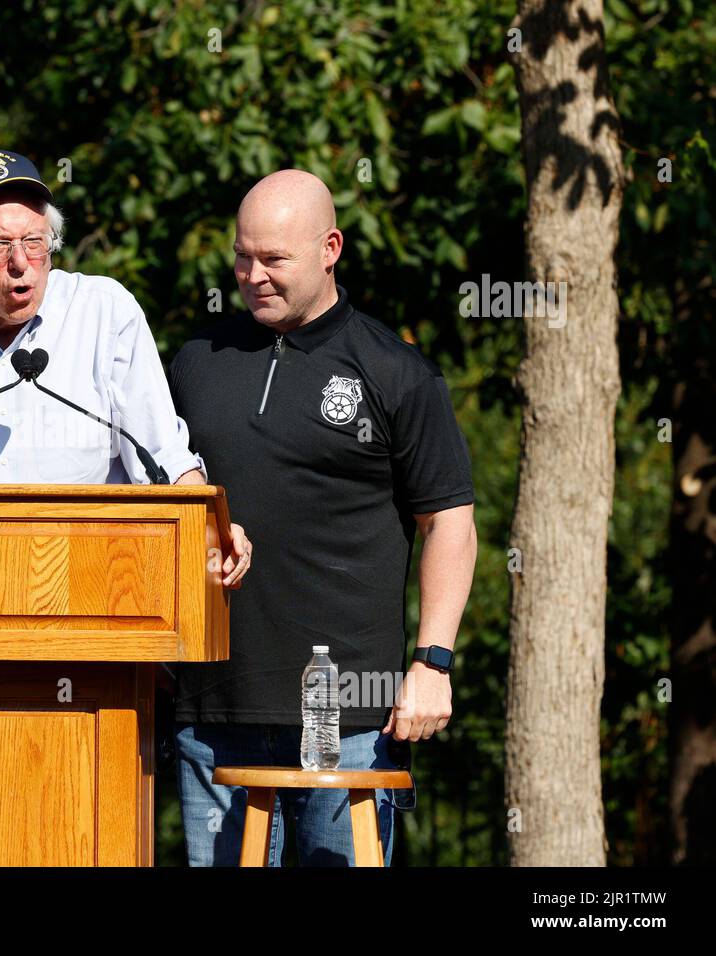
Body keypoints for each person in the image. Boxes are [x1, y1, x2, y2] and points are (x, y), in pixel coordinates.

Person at [170, 170, 477, 866]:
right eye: (243, 257)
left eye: (274, 259)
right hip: (212, 711)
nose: (253, 275)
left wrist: (433, 662)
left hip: (349, 717)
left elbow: (449, 523)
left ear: (330, 247)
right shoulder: (194, 363)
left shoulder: (395, 371)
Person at [0, 147, 251, 583]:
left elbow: (161, 460)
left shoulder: (104, 311)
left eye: (34, 242)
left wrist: (210, 530)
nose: (20, 263)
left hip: (85, 588)